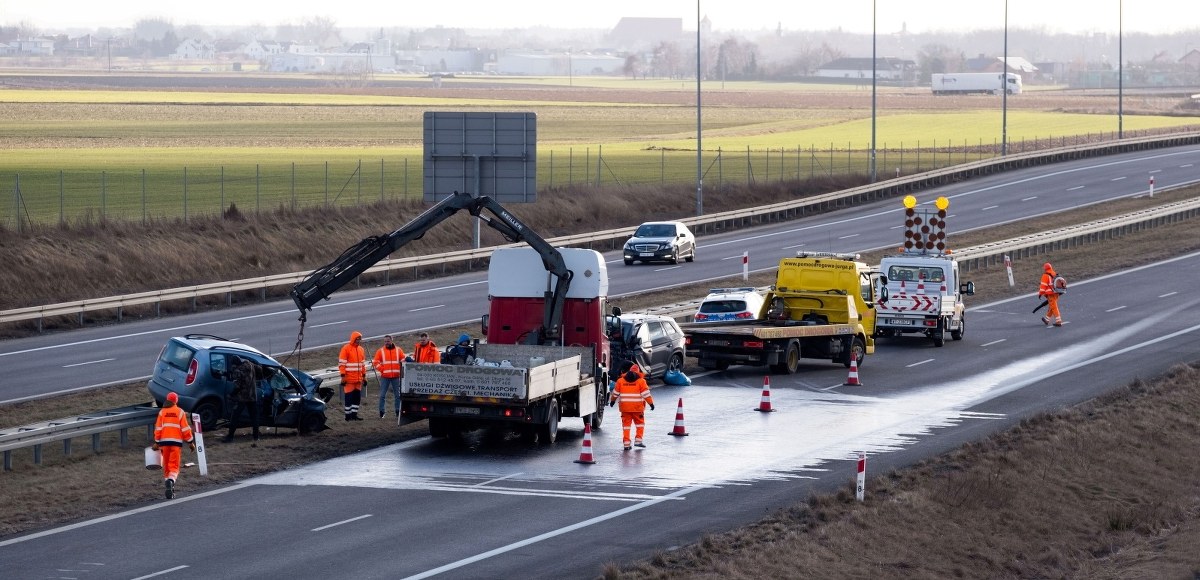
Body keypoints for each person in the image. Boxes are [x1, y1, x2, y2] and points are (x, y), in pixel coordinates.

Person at [153, 392, 196, 500]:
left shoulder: (162, 412)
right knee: (174, 467)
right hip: (176, 443)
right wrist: (190, 442)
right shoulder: (180, 412)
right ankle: (171, 481)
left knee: (167, 466)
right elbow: (185, 429)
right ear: (176, 401)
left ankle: (169, 487)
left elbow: (158, 428)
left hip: (164, 444)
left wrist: (157, 442)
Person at [609, 369, 655, 451]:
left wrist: (612, 401)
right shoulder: (641, 381)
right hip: (637, 409)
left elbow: (615, 393)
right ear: (638, 372)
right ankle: (638, 441)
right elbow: (646, 394)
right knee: (640, 425)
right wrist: (651, 404)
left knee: (626, 426)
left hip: (625, 409)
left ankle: (626, 444)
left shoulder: (620, 381)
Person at [223, 356, 261, 445]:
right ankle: (256, 437)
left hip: (243, 397)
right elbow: (259, 369)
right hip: (252, 396)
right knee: (254, 417)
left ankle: (230, 437)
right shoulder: (250, 364)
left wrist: (231, 395)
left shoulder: (238, 371)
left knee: (235, 417)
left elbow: (238, 386)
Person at [372, 335, 406, 419]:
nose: (386, 343)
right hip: (385, 377)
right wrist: (382, 369)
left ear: (391, 341)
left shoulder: (398, 350)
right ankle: (382, 412)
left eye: (388, 341)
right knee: (382, 395)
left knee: (397, 395)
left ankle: (398, 411)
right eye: (385, 341)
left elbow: (403, 361)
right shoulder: (380, 351)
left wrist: (400, 370)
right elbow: (375, 362)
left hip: (396, 376)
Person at [339, 331, 368, 421]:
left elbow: (362, 365)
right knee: (349, 398)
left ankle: (354, 415)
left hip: (358, 379)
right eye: (357, 339)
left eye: (359, 339)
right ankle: (348, 416)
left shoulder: (361, 349)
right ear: (353, 339)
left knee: (357, 399)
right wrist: (343, 376)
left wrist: (364, 377)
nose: (358, 341)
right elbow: (342, 364)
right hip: (349, 379)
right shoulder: (346, 348)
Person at [1038, 262, 1064, 327]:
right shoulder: (1054, 273)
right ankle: (1047, 319)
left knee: (1053, 306)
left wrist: (1040, 294)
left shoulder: (1045, 275)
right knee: (1052, 306)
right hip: (1057, 292)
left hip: (1050, 294)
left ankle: (1058, 321)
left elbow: (1043, 286)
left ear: (1045, 268)